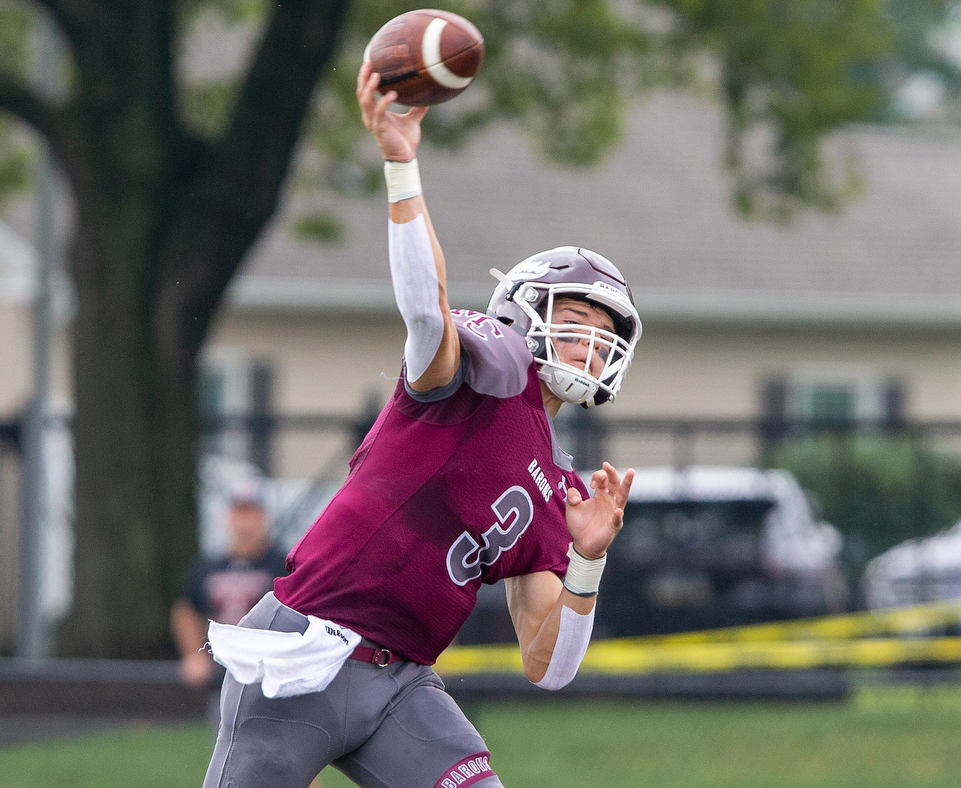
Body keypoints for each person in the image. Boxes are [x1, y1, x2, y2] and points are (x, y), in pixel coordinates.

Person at [200, 61, 643, 788]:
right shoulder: (484, 370)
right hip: (307, 650)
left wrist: (588, 561)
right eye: (573, 317)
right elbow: (423, 312)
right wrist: (402, 165)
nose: (590, 339)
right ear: (523, 311)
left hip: (401, 684)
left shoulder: (559, 489)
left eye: (603, 327)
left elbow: (546, 666)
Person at [172, 477, 289, 688]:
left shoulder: (283, 565)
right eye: (239, 512)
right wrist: (194, 655)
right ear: (228, 516)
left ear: (264, 516)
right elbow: (185, 609)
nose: (245, 521)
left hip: (269, 674)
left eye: (252, 512)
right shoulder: (208, 566)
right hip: (222, 675)